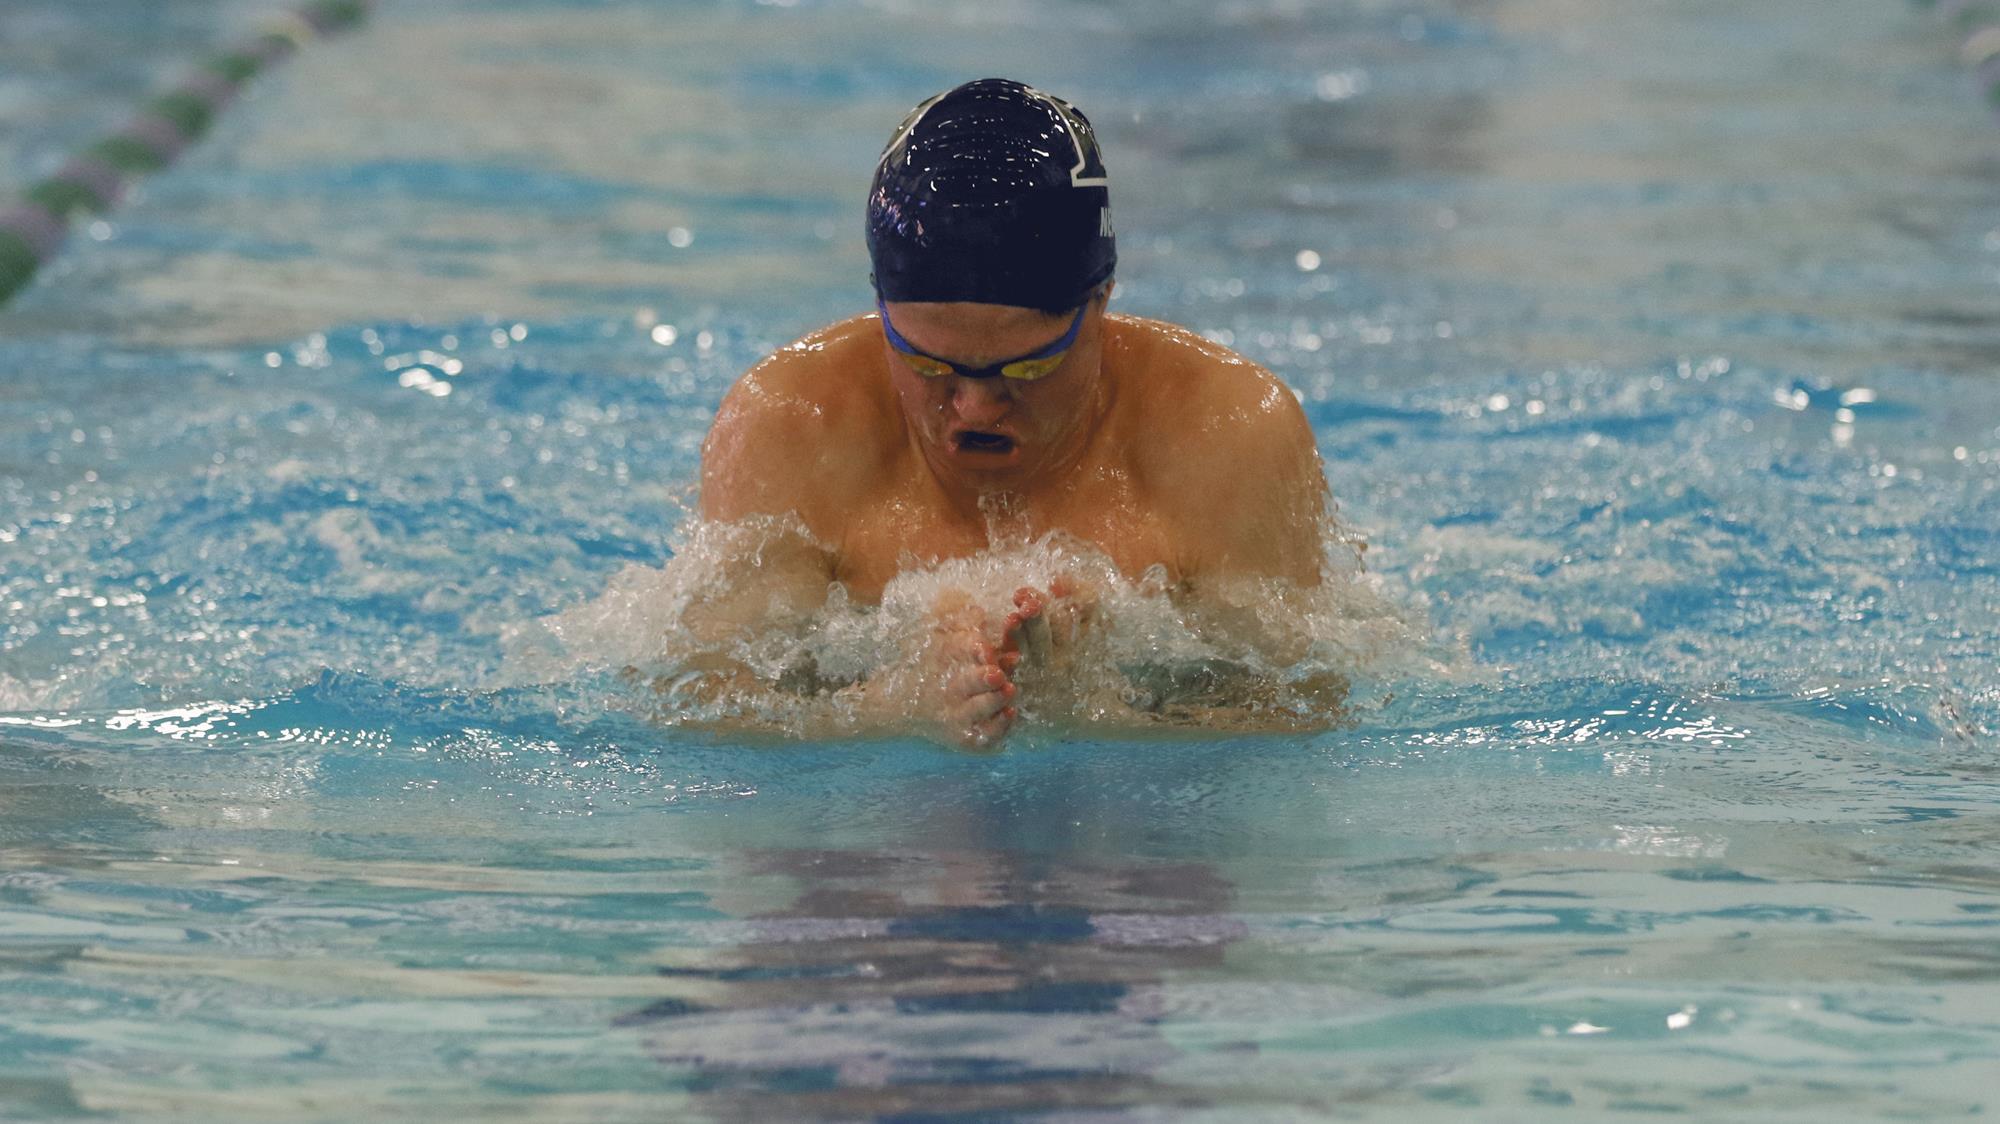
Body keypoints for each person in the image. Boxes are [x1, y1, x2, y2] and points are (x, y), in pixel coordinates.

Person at [693, 78, 1340, 748]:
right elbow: (704, 716)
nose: (973, 406)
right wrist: (894, 707)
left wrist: (1095, 700)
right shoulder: (790, 425)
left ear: (1102, 303)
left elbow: (1302, 718)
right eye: (928, 364)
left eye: (1026, 368)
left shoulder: (1227, 435)